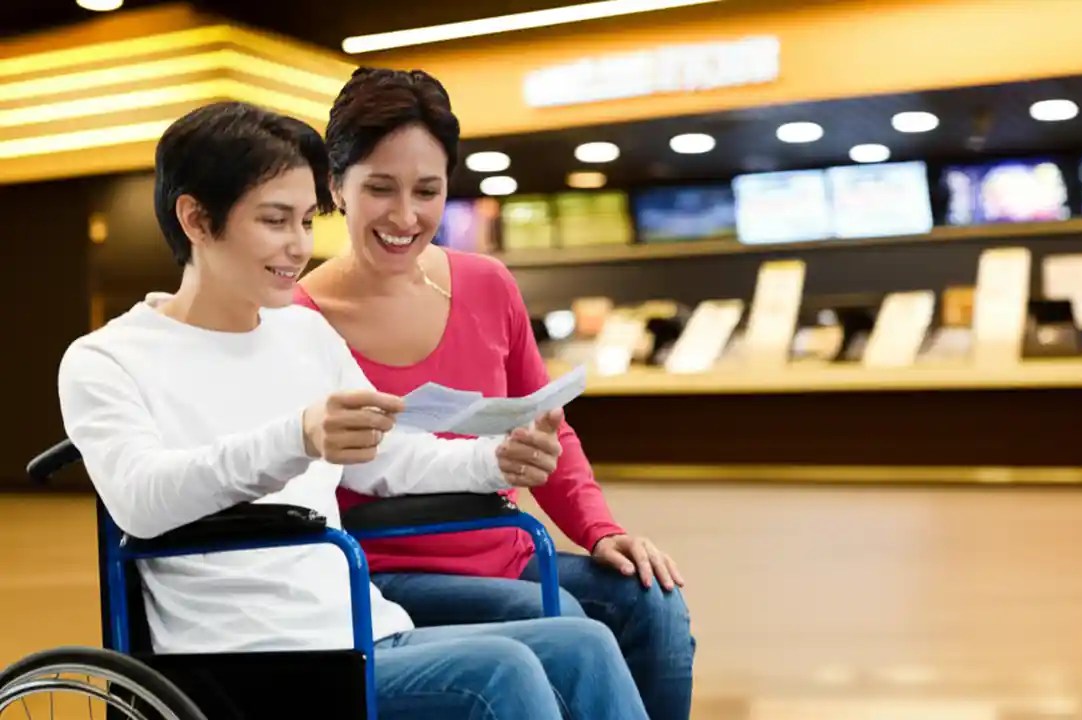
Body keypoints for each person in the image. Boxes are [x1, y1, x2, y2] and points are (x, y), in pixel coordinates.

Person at [56, 100, 649, 720]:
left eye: (308, 220)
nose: (298, 247)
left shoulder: (303, 335)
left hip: (362, 630)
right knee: (502, 671)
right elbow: (141, 501)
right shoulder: (106, 359)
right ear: (197, 219)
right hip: (252, 657)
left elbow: (386, 455)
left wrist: (493, 461)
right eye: (275, 220)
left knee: (582, 645)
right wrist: (298, 437)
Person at [296, 66, 695, 719]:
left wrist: (599, 531)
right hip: (383, 573)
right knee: (559, 620)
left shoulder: (487, 285)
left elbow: (548, 430)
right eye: (380, 189)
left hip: (506, 547)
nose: (405, 216)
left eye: (427, 190)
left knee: (656, 603)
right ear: (336, 186)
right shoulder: (299, 317)